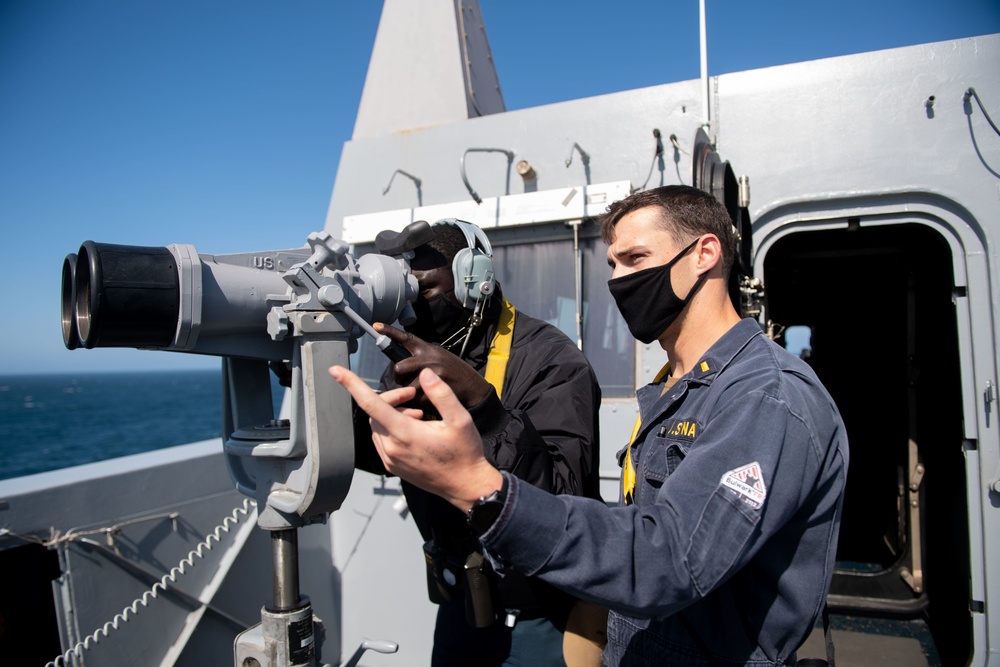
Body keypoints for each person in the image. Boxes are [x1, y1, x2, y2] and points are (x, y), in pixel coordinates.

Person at [334, 186, 849, 666]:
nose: (619, 280)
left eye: (636, 259)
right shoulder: (676, 387)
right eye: (611, 263)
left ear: (705, 253)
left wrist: (482, 468)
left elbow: (666, 560)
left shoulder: (768, 399)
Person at [353, 218, 603, 667]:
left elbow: (563, 497)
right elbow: (388, 458)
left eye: (422, 292)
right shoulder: (423, 354)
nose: (411, 313)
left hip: (541, 615)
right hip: (462, 607)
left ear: (475, 280)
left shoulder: (553, 361)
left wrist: (483, 408)